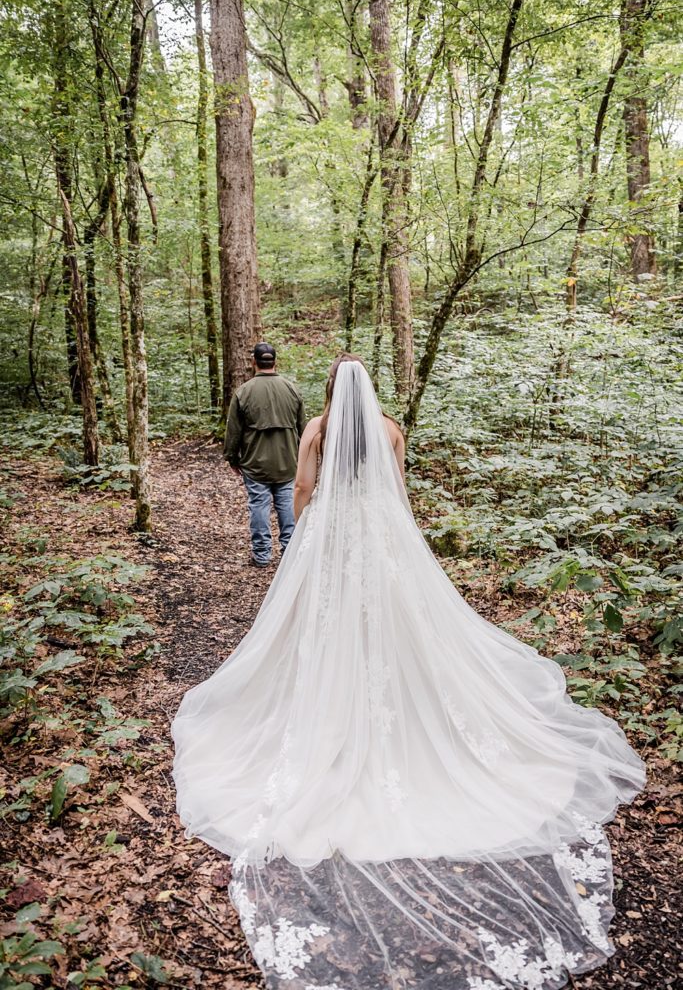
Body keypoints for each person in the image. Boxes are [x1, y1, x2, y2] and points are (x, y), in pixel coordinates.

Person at [174, 354, 645, 990]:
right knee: (400, 633)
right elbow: (398, 489)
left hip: (336, 538)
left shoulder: (318, 428)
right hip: (381, 537)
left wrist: (307, 541)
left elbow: (306, 492)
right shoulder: (393, 428)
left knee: (329, 631)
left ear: (334, 391)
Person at [223, 342, 306, 567]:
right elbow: (303, 428)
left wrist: (232, 456)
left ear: (254, 362)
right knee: (287, 504)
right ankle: (289, 553)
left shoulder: (244, 391)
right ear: (275, 361)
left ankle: (262, 555)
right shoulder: (291, 389)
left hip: (255, 461)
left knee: (258, 505)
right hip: (288, 460)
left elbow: (234, 430)